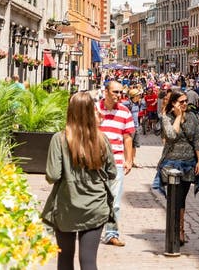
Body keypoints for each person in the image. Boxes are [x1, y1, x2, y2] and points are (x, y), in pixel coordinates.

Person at [44, 91, 117, 270]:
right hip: (95, 206)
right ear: (92, 111)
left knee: (65, 260)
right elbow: (112, 172)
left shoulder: (59, 140)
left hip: (67, 206)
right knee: (89, 261)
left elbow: (52, 175)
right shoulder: (101, 139)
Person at [153, 88, 199, 245]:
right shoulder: (166, 118)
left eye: (186, 101)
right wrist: (178, 117)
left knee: (182, 197)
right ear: (174, 103)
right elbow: (171, 135)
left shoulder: (192, 117)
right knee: (174, 197)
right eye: (181, 102)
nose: (185, 104)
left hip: (189, 163)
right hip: (171, 162)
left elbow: (196, 138)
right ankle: (175, 229)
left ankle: (180, 228)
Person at [98, 79, 135, 247]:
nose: (119, 96)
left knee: (115, 201)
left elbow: (127, 137)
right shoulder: (95, 109)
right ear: (106, 92)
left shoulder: (125, 111)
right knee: (95, 198)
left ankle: (111, 233)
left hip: (117, 161)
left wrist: (129, 160)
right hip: (96, 161)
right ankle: (91, 231)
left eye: (121, 92)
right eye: (115, 92)